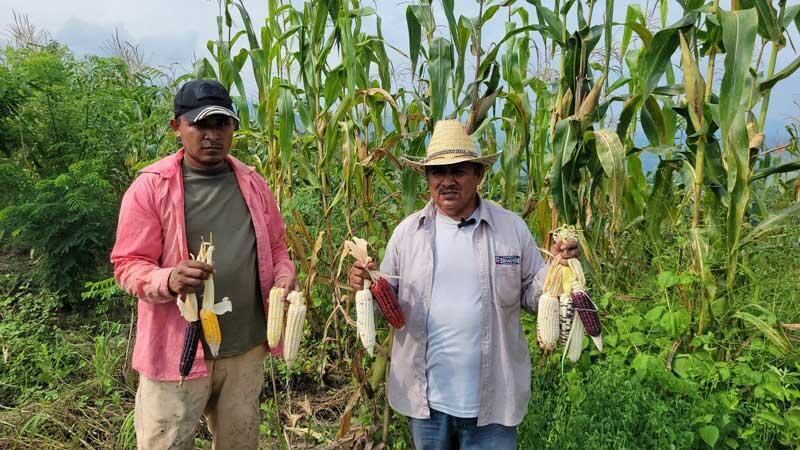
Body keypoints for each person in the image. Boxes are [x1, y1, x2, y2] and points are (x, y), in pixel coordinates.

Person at [348, 120, 580, 450]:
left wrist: (558, 266)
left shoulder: (510, 230)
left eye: (458, 171)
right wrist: (366, 287)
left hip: (494, 402)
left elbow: (533, 294)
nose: (447, 182)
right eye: (437, 173)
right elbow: (389, 305)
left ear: (478, 175)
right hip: (428, 403)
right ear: (427, 178)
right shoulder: (407, 235)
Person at [111, 79, 296, 450]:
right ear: (176, 126)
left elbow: (277, 246)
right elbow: (127, 264)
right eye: (199, 124)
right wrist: (168, 278)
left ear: (233, 128)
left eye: (221, 124)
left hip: (245, 350)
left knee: (239, 442)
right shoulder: (151, 187)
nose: (212, 135)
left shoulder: (253, 183)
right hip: (177, 354)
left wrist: (284, 277)